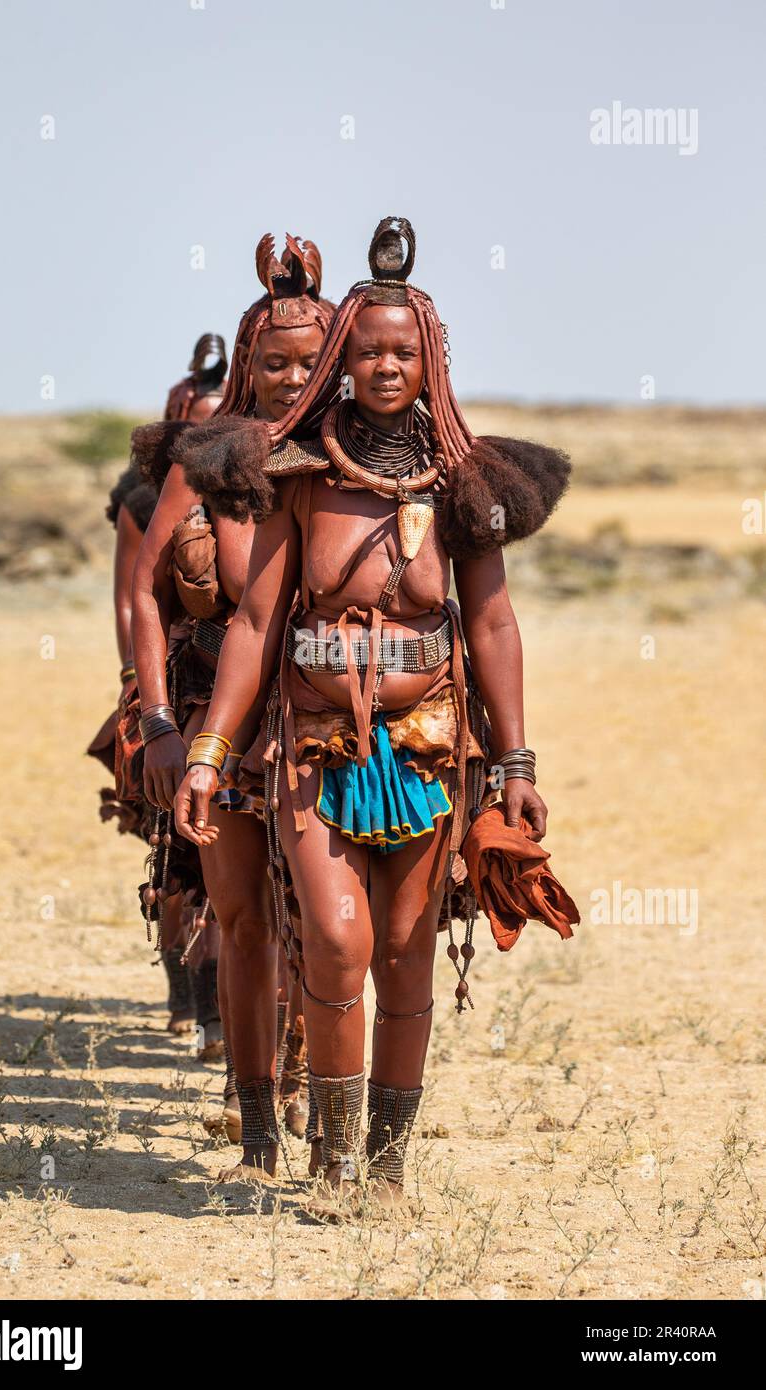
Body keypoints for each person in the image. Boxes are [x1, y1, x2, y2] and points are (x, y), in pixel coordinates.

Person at [172, 216, 571, 1207]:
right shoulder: (297, 481)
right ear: (341, 359)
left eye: (405, 350)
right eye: (369, 349)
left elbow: (491, 626)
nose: (386, 365)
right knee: (339, 939)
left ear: (430, 357)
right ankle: (333, 1161)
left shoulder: (467, 486)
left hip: (432, 751)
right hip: (313, 744)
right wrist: (208, 753)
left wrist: (515, 768)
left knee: (403, 950)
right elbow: (258, 621)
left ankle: (384, 1172)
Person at [130, 235, 334, 1157]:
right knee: (246, 917)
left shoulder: (353, 455)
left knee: (325, 921)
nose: (293, 378)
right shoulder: (206, 460)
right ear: (248, 363)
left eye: (308, 359)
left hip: (329, 718)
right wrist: (161, 720)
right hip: (216, 708)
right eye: (274, 361)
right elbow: (143, 593)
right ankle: (255, 1116)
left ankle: (317, 1088)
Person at [87, 333, 227, 1039]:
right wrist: (140, 691)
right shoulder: (146, 497)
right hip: (171, 674)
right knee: (173, 844)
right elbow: (129, 597)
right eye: (197, 421)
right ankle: (192, 1001)